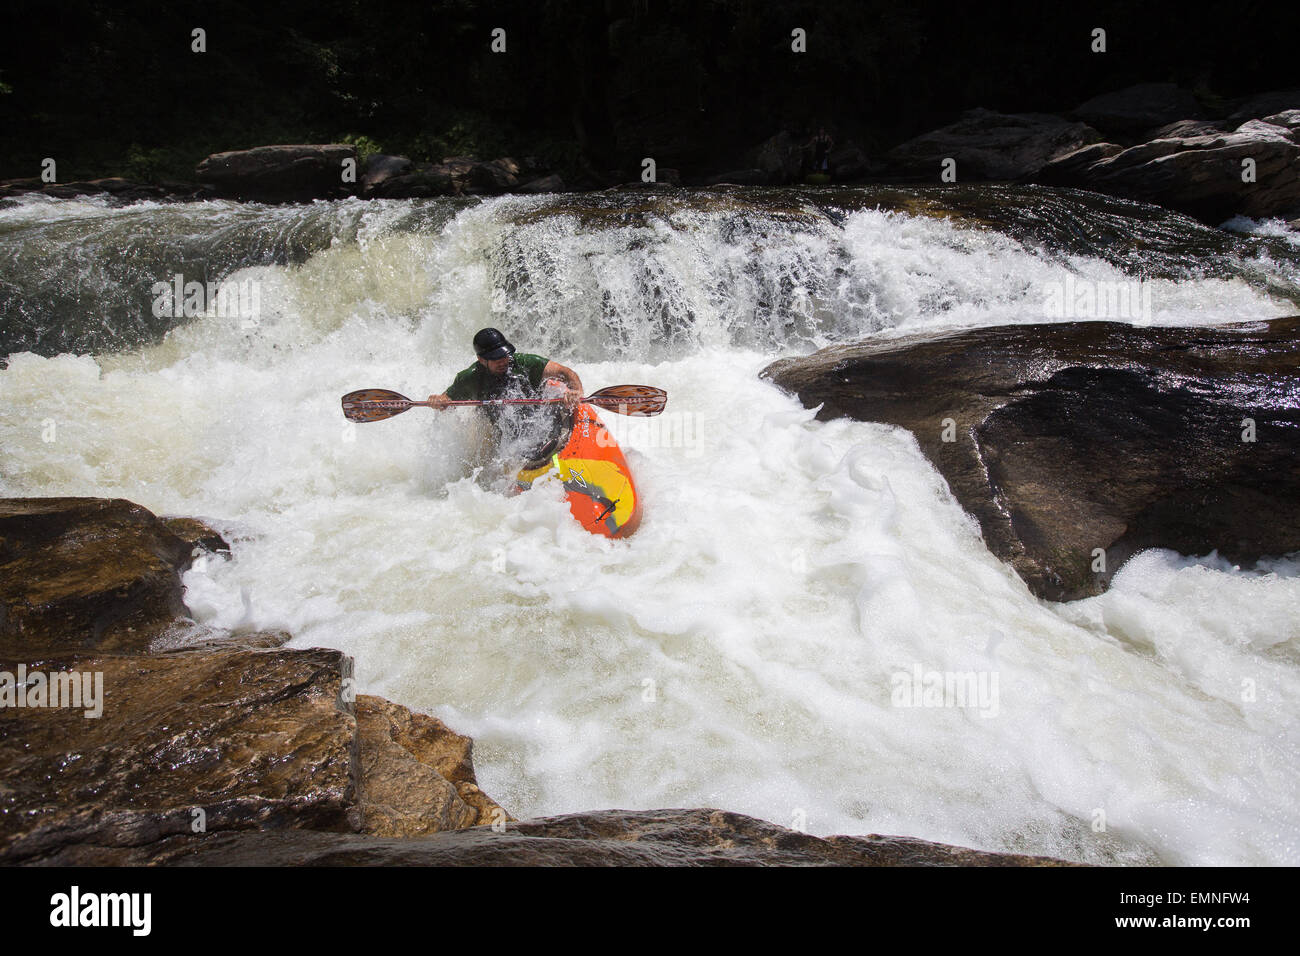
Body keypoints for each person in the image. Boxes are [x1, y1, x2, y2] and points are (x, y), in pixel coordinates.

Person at [428, 328, 584, 465]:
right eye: (496, 359)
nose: (503, 361)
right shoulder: (470, 378)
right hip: (500, 432)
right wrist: (438, 401)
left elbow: (566, 373)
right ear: (481, 360)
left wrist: (576, 392)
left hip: (537, 420)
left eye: (504, 355)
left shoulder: (525, 363)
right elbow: (446, 401)